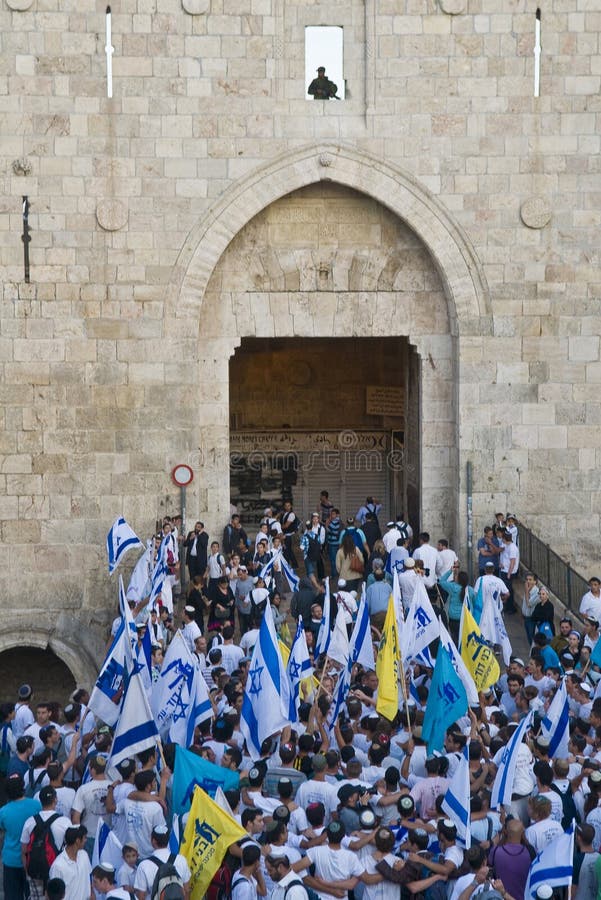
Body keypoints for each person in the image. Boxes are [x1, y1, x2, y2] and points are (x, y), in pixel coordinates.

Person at [0, 773, 41, 899]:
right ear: (23, 787)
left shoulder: (4, 811)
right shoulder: (36, 805)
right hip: (32, 859)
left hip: (11, 859)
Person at [133, 823, 191, 898]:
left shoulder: (144, 865)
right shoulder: (181, 860)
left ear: (153, 841)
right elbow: (187, 890)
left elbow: (141, 896)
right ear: (168, 840)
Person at [48, 825, 91, 900]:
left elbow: (89, 878)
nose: (86, 840)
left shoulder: (84, 855)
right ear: (77, 840)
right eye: (84, 837)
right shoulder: (58, 866)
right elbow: (54, 895)